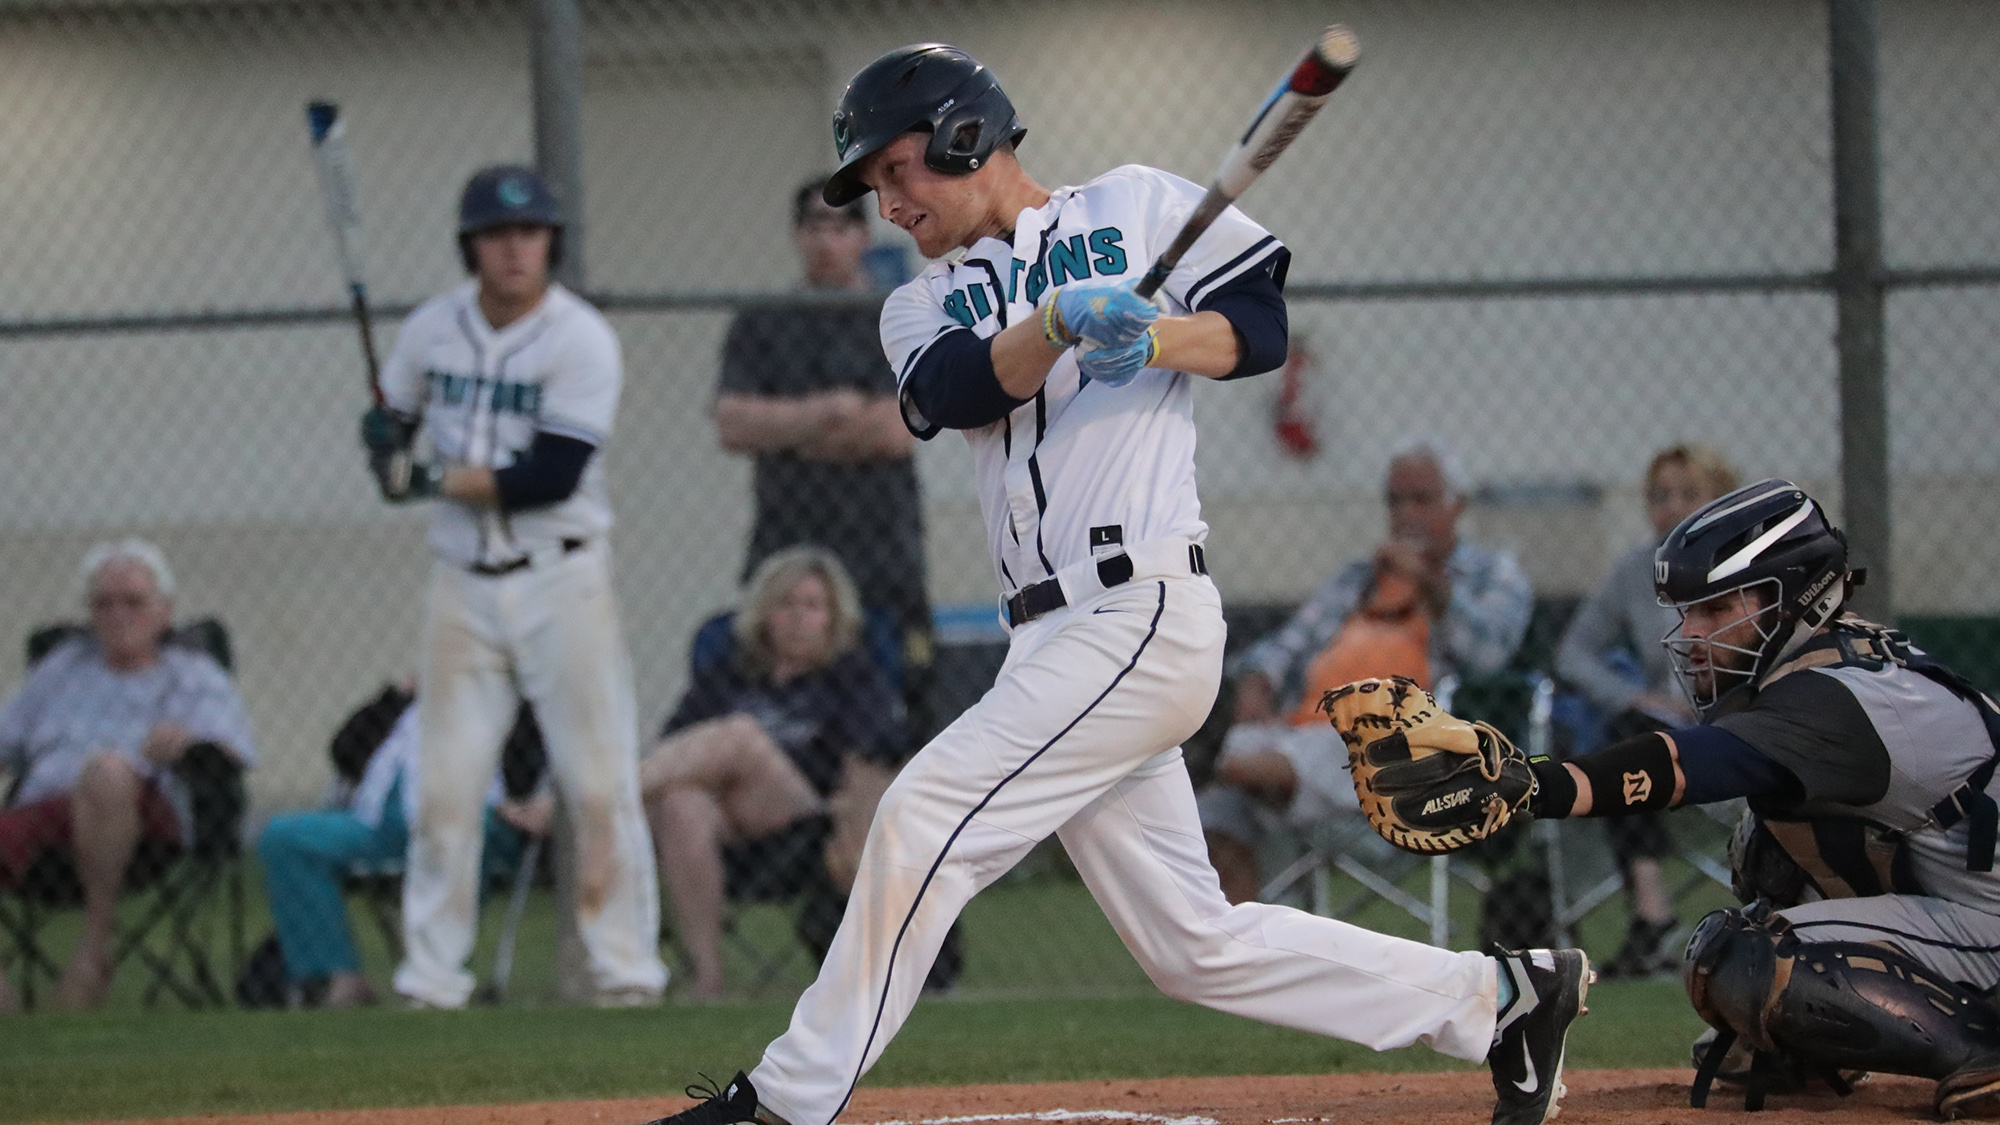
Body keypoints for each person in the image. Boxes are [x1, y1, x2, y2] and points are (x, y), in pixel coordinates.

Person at [640, 43, 1588, 1125]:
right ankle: (1500, 998)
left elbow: (1260, 326)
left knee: (919, 817)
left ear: (963, 137)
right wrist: (1052, 325)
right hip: (1047, 637)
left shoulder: (1135, 204)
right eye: (872, 185)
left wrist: (1158, 336)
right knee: (1192, 946)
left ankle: (783, 1101)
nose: (889, 204)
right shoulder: (918, 302)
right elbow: (952, 392)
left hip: (1139, 613)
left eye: (898, 171)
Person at [1514, 479, 2000, 1116]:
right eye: (1688, 611)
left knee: (1754, 958)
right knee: (1766, 856)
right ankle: (1813, 1056)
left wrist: (1535, 784)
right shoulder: (1822, 665)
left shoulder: (1838, 695)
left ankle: (1985, 1054)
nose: (1690, 633)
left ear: (1791, 600)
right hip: (1973, 914)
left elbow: (1696, 764)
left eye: (1715, 610)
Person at [359, 165, 668, 1009]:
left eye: (529, 233)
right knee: (445, 786)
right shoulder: (432, 329)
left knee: (599, 782)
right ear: (472, 247)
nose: (514, 249)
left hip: (562, 577)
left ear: (550, 243)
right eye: (497, 235)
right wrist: (385, 440)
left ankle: (625, 971)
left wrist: (422, 475)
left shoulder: (581, 339)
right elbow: (400, 431)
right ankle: (430, 978)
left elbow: (551, 475)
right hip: (461, 583)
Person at [1201, 438, 1534, 904]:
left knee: (1251, 761)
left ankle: (1220, 762)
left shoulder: (1492, 576)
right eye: (1396, 501)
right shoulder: (1359, 577)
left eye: (1421, 499)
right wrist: (1258, 683)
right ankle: (1252, 957)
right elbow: (1285, 645)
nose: (1406, 514)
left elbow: (1489, 654)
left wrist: (1427, 583)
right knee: (1217, 808)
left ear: (1457, 506)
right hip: (1304, 735)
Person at [641, 547, 912, 1001]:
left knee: (740, 736)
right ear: (764, 614)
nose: (797, 618)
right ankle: (707, 979)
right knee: (681, 803)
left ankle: (600, 801)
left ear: (833, 617)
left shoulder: (852, 676)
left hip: (806, 830)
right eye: (785, 604)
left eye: (813, 606)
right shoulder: (729, 676)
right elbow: (677, 749)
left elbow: (872, 760)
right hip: (729, 842)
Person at [0, 539, 256, 1011]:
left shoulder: (192, 675)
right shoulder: (62, 668)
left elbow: (234, 751)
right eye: (103, 604)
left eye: (133, 602)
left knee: (107, 771)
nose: (118, 615)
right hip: (42, 819)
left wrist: (190, 742)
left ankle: (94, 950)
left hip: (140, 829)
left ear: (164, 611)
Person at [715, 180, 931, 701]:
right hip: (787, 540)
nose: (827, 241)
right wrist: (830, 412)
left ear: (862, 236)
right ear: (796, 236)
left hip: (882, 550)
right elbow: (733, 423)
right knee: (782, 702)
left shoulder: (896, 315)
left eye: (841, 227)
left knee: (896, 701)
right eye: (815, 227)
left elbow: (896, 432)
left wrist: (787, 432)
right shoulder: (763, 323)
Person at [1554, 443, 1737, 978]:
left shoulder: (1748, 565)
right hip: (1671, 732)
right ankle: (1652, 910)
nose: (1671, 507)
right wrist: (1633, 695)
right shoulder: (1639, 570)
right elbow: (1573, 652)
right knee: (1629, 742)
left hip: (1739, 726)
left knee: (1640, 748)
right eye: (1659, 496)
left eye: (1689, 494)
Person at [256, 691, 552, 1008]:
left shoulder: (529, 701)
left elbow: (548, 771)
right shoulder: (415, 698)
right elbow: (345, 752)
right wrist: (395, 694)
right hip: (382, 826)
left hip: (475, 825)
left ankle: (438, 972)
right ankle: (338, 977)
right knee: (285, 837)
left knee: (458, 833)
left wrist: (540, 804)